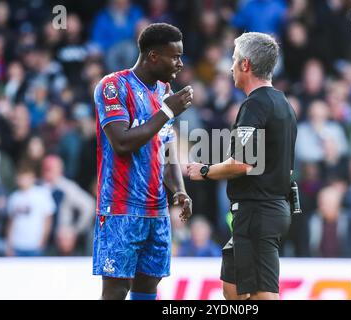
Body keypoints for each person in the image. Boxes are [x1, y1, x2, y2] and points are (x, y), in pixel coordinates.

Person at [187, 32, 297, 300]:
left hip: (259, 212)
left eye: (234, 60)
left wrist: (204, 171)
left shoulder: (255, 105)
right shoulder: (283, 104)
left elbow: (242, 164)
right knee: (232, 291)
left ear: (246, 65)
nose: (230, 67)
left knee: (263, 295)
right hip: (261, 211)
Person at [93, 23, 193, 300]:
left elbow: (167, 145)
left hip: (157, 210)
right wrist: (167, 110)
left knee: (149, 286)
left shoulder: (164, 90)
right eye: (175, 56)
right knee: (116, 289)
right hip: (121, 207)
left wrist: (180, 190)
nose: (180, 63)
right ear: (152, 56)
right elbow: (122, 142)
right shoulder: (113, 86)